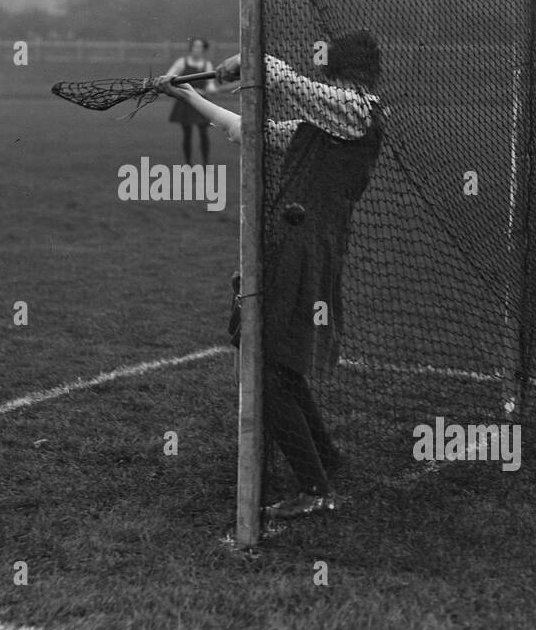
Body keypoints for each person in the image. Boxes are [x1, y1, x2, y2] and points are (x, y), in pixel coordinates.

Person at [159, 31, 386, 519]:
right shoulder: (323, 124)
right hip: (294, 246)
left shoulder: (357, 110)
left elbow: (294, 85)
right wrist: (191, 95)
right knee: (276, 363)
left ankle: (316, 487)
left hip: (304, 251)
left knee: (265, 367)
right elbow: (251, 131)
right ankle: (325, 458)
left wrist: (249, 61)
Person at [164, 37, 217, 165]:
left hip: (201, 103)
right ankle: (188, 164)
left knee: (203, 133)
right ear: (191, 48)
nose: (197, 49)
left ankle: (205, 164)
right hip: (186, 101)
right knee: (187, 134)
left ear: (203, 50)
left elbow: (210, 85)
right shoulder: (182, 62)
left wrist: (211, 89)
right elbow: (168, 78)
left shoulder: (207, 65)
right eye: (195, 46)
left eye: (200, 47)